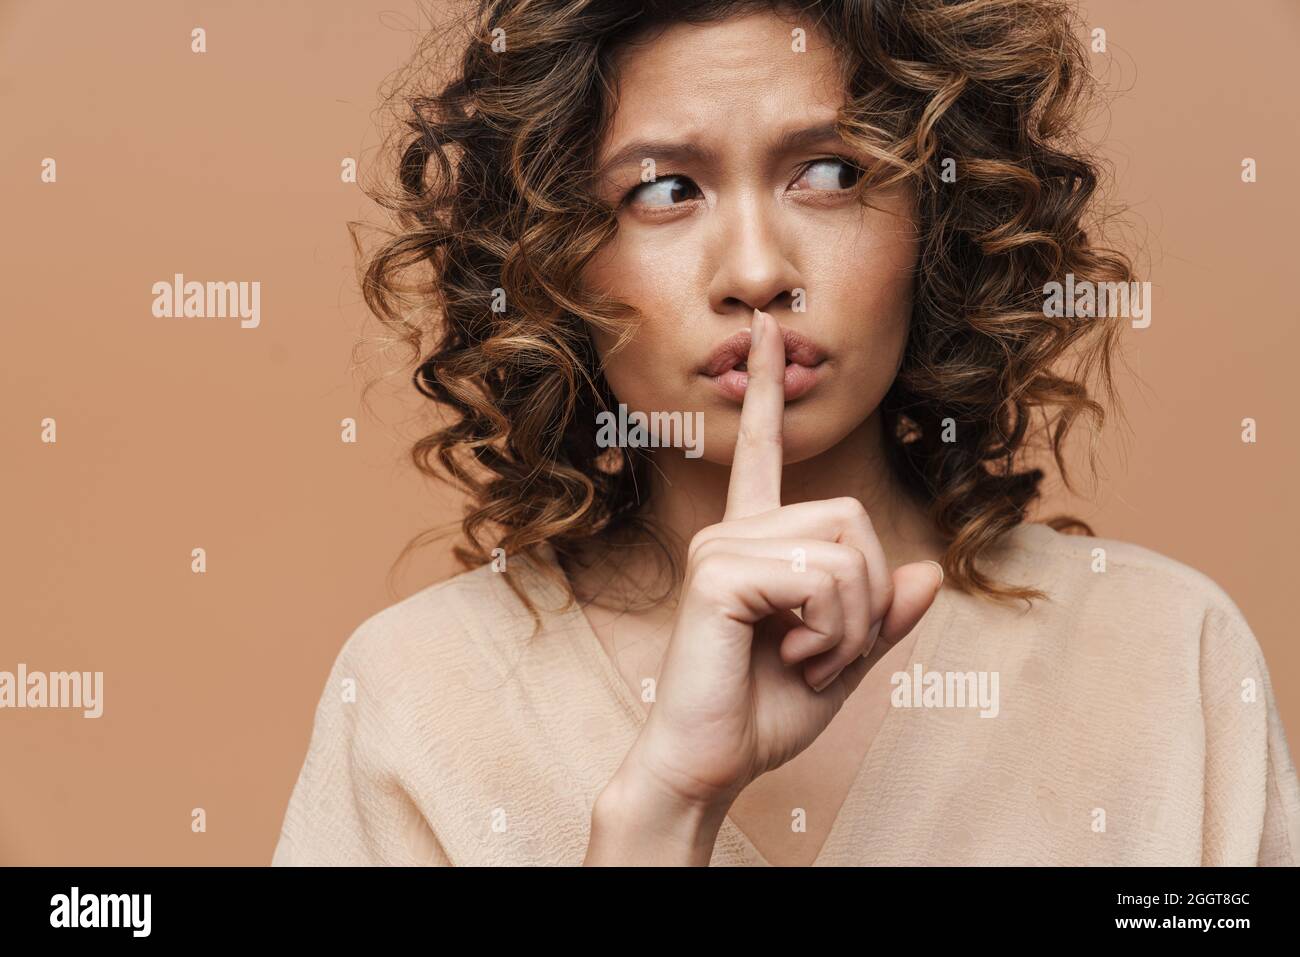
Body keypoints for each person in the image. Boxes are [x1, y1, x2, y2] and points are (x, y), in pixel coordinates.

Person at [272, 0, 1300, 866]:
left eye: (832, 173)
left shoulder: (1166, 655)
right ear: (553, 262)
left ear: (935, 222)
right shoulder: (421, 697)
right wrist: (662, 810)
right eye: (664, 190)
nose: (758, 271)